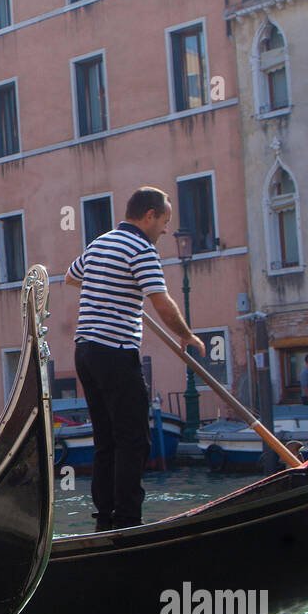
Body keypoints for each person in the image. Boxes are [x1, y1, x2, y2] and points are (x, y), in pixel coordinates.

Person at [65, 187, 204, 531]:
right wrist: (186, 335)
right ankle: (128, 519)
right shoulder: (141, 248)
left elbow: (71, 277)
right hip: (115, 351)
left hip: (85, 351)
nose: (166, 230)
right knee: (133, 439)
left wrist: (111, 291)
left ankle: (105, 518)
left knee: (106, 439)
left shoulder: (100, 243)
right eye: (165, 221)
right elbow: (161, 302)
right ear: (149, 216)